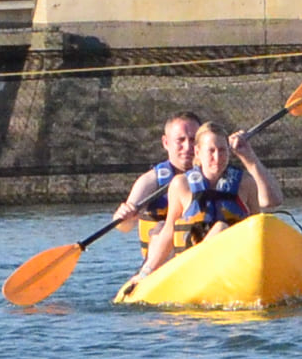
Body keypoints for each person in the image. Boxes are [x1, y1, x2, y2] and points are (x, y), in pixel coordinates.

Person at [138, 120, 284, 280]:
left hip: (234, 266)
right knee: (216, 228)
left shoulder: (245, 183)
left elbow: (257, 228)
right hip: (192, 269)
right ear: (198, 152)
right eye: (211, 151)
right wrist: (145, 272)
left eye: (222, 150)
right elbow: (168, 232)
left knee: (222, 228)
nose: (217, 157)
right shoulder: (181, 184)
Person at [110, 112, 206, 273]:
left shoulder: (214, 175)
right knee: (162, 227)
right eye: (180, 140)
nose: (188, 147)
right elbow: (124, 226)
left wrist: (246, 156)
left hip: (202, 259)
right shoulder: (150, 181)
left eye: (193, 140)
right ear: (166, 143)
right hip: (164, 267)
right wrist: (124, 216)